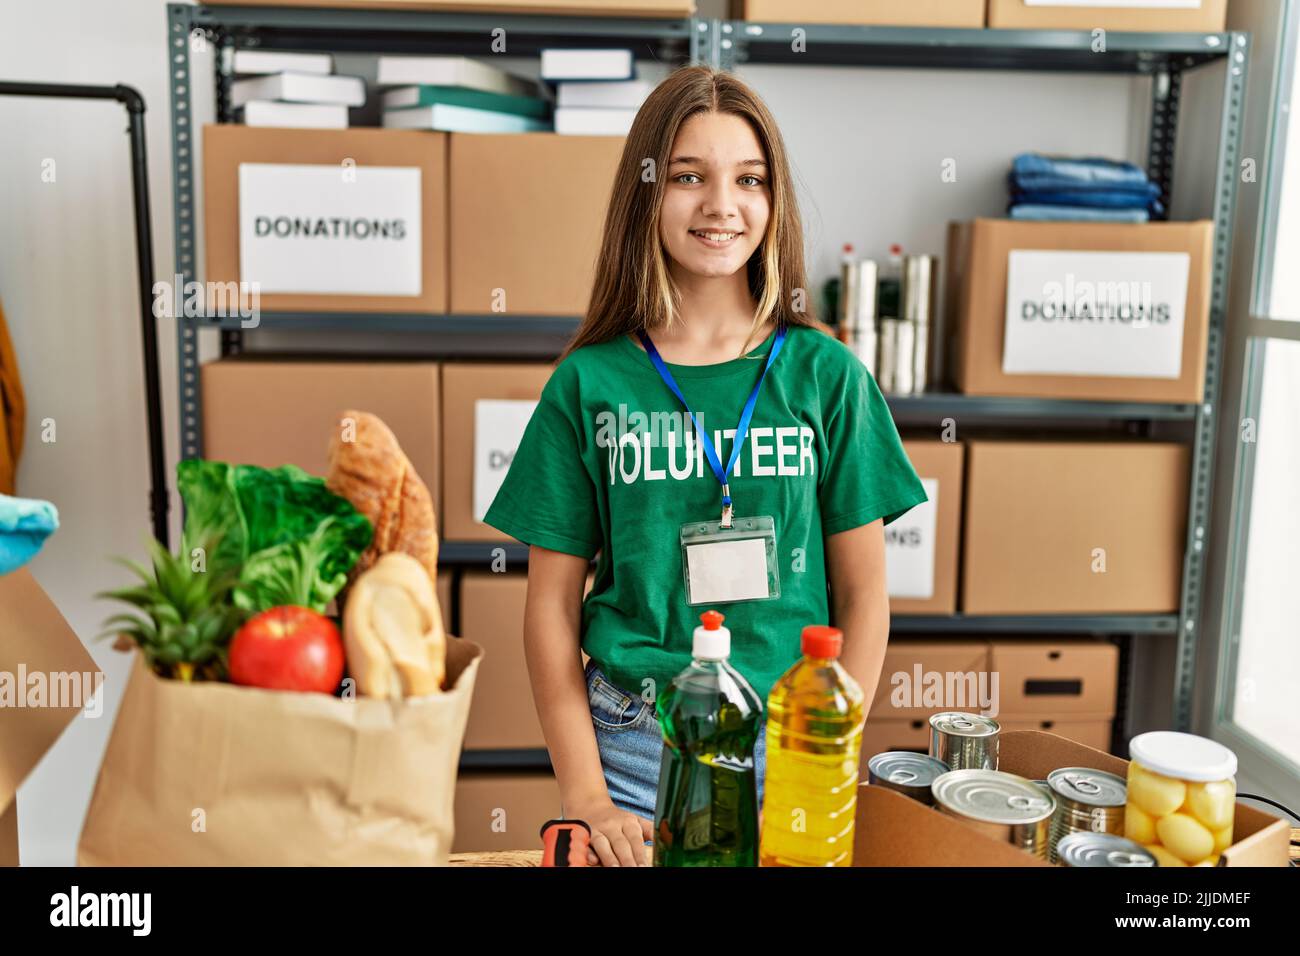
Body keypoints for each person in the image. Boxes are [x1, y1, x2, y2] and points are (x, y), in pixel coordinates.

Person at [484, 65, 927, 866]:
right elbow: (549, 610)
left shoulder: (828, 377)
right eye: (689, 176)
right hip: (633, 747)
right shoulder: (589, 382)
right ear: (646, 195)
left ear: (774, 200)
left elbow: (865, 597)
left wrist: (829, 752)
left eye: (749, 180)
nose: (722, 205)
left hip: (794, 747)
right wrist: (584, 794)